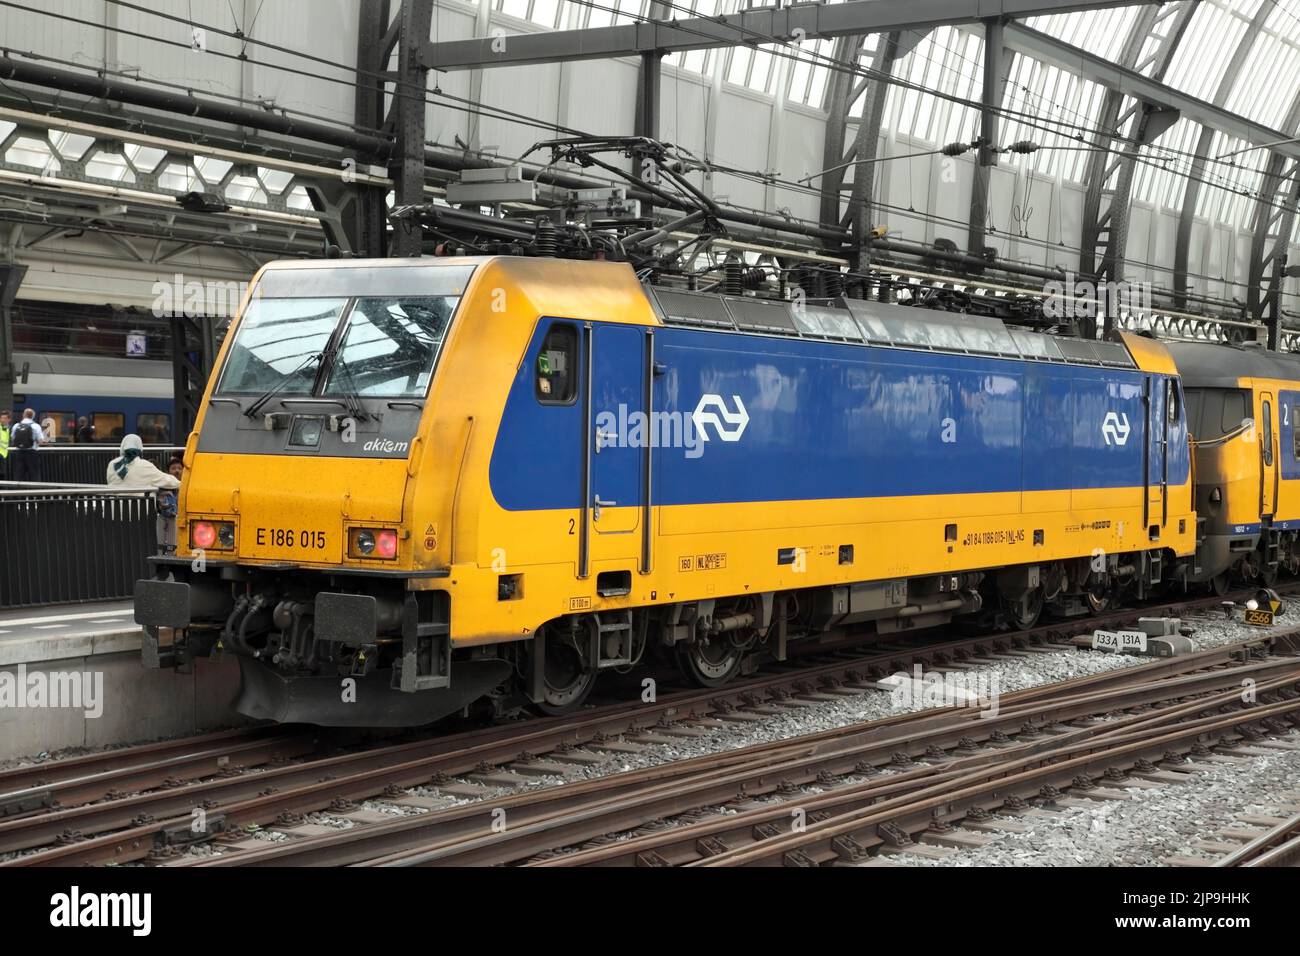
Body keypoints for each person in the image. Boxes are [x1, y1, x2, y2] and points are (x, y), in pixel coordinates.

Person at [106, 434, 180, 490]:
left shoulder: (112, 464)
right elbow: (169, 482)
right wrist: (182, 483)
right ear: (140, 449)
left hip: (114, 505)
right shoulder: (145, 466)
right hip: (139, 506)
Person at [9, 408, 47, 482]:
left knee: (19, 474)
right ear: (33, 416)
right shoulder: (36, 426)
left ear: (24, 415)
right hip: (32, 453)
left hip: (19, 452)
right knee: (34, 474)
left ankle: (17, 488)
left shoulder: (16, 426)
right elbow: (41, 441)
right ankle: (34, 489)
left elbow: (13, 439)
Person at [0, 410, 10, 480]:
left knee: (2, 474)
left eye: (5, 418)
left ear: (9, 419)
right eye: (2, 418)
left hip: (3, 455)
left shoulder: (6, 428)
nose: (3, 420)